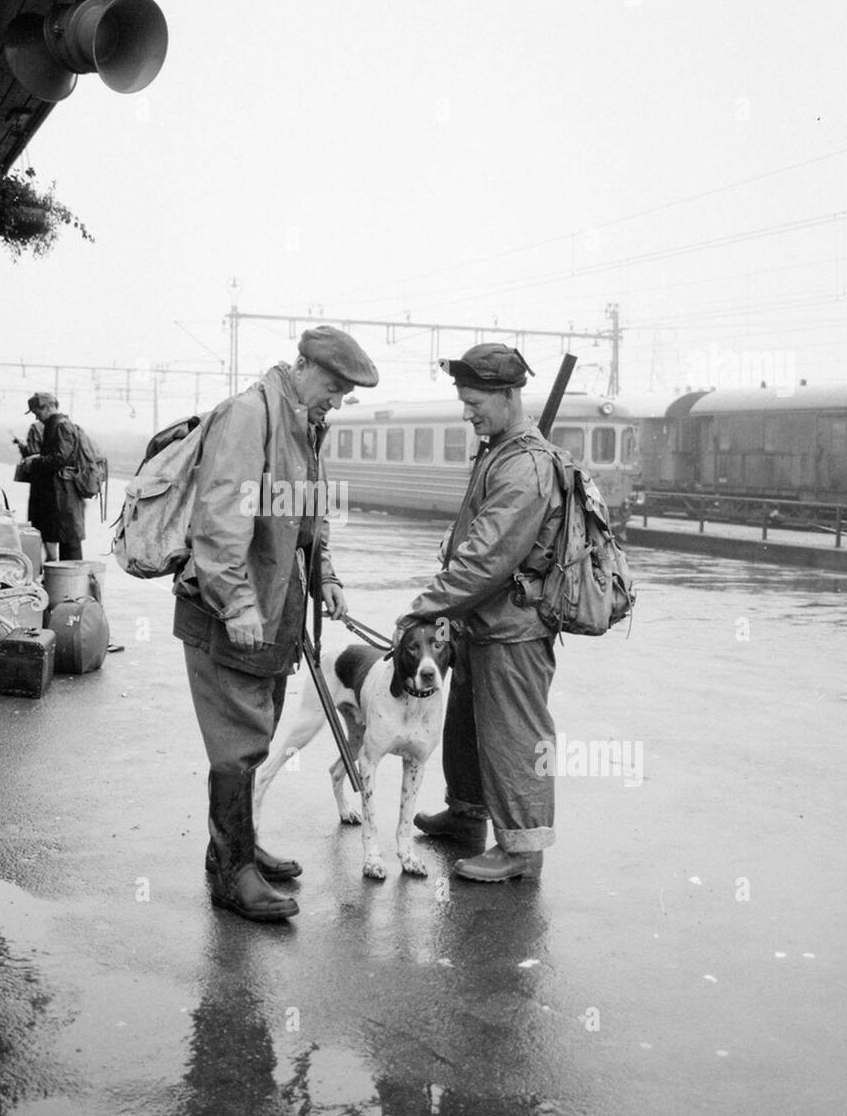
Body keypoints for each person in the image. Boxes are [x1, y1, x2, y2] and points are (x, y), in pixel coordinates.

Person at [174, 325, 379, 923]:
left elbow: (310, 515)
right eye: (335, 387)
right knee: (237, 741)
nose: (337, 400)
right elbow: (220, 518)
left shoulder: (303, 424)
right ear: (305, 368)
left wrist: (327, 578)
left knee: (256, 730)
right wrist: (236, 603)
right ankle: (231, 874)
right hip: (231, 609)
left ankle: (237, 848)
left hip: (275, 608)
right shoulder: (248, 416)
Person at [397, 344, 566, 882]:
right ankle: (468, 813)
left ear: (509, 395)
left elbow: (486, 560)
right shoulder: (499, 448)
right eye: (463, 401)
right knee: (468, 723)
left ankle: (521, 848)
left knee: (515, 735)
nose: (467, 413)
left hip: (513, 629)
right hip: (480, 621)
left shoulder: (525, 466)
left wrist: (420, 609)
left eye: (475, 402)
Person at [18, 392, 87, 562]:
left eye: (37, 412)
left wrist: (34, 463)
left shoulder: (59, 425)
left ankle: (71, 584)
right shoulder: (55, 424)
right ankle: (67, 583)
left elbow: (61, 457)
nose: (36, 417)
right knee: (67, 538)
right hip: (61, 493)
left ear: (49, 407)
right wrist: (37, 458)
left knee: (69, 542)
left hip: (63, 494)